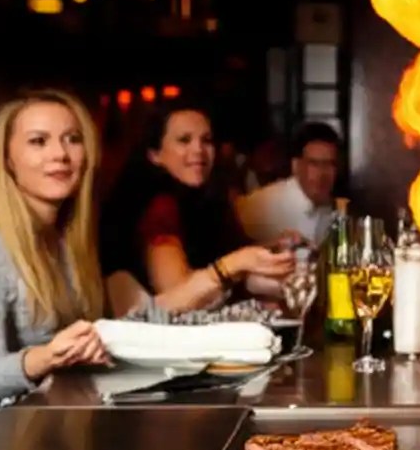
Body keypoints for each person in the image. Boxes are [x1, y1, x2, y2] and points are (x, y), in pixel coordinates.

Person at [0, 89, 109, 440]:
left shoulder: (66, 238)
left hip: (46, 431)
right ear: (6, 160)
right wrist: (49, 356)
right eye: (39, 141)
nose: (60, 155)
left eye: (72, 139)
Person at [100, 102, 294, 315]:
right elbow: (177, 290)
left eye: (206, 140)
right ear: (154, 154)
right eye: (184, 140)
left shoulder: (207, 200)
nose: (198, 150)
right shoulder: (160, 206)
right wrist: (238, 266)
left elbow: (218, 260)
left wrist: (271, 248)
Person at [236, 122, 341, 246]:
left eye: (330, 164)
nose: (323, 174)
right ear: (295, 166)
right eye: (314, 164)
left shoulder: (332, 209)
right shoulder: (265, 204)